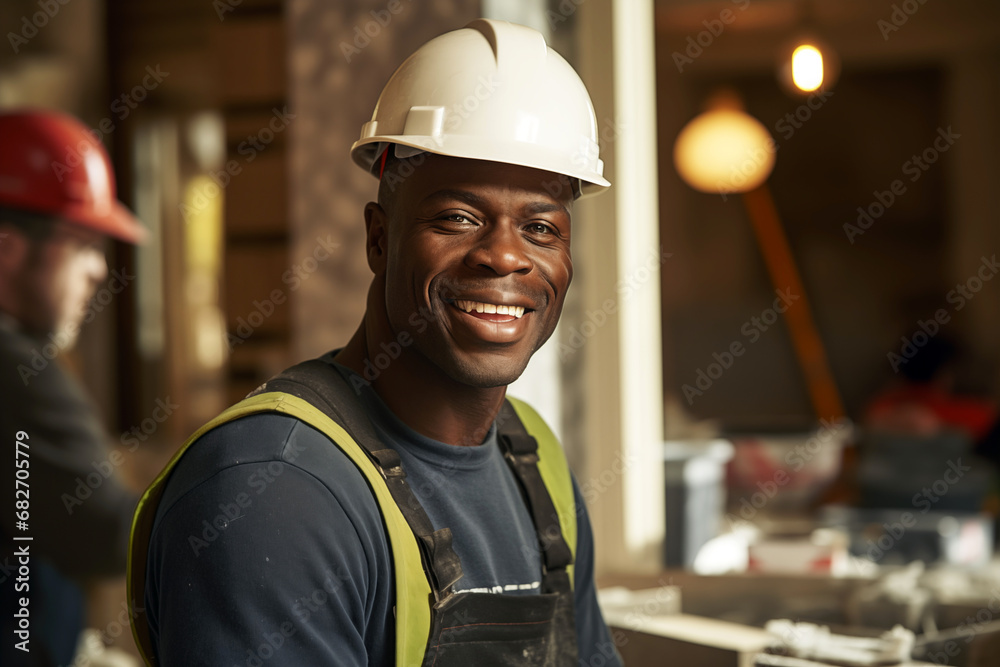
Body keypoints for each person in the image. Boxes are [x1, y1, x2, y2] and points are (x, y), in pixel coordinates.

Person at [130, 19, 623, 666]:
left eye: (539, 227)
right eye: (458, 217)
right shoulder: (275, 488)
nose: (504, 255)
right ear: (379, 238)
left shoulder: (533, 457)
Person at [0, 111, 146, 666]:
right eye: (82, 244)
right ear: (8, 247)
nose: (99, 271)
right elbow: (111, 533)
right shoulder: (17, 371)